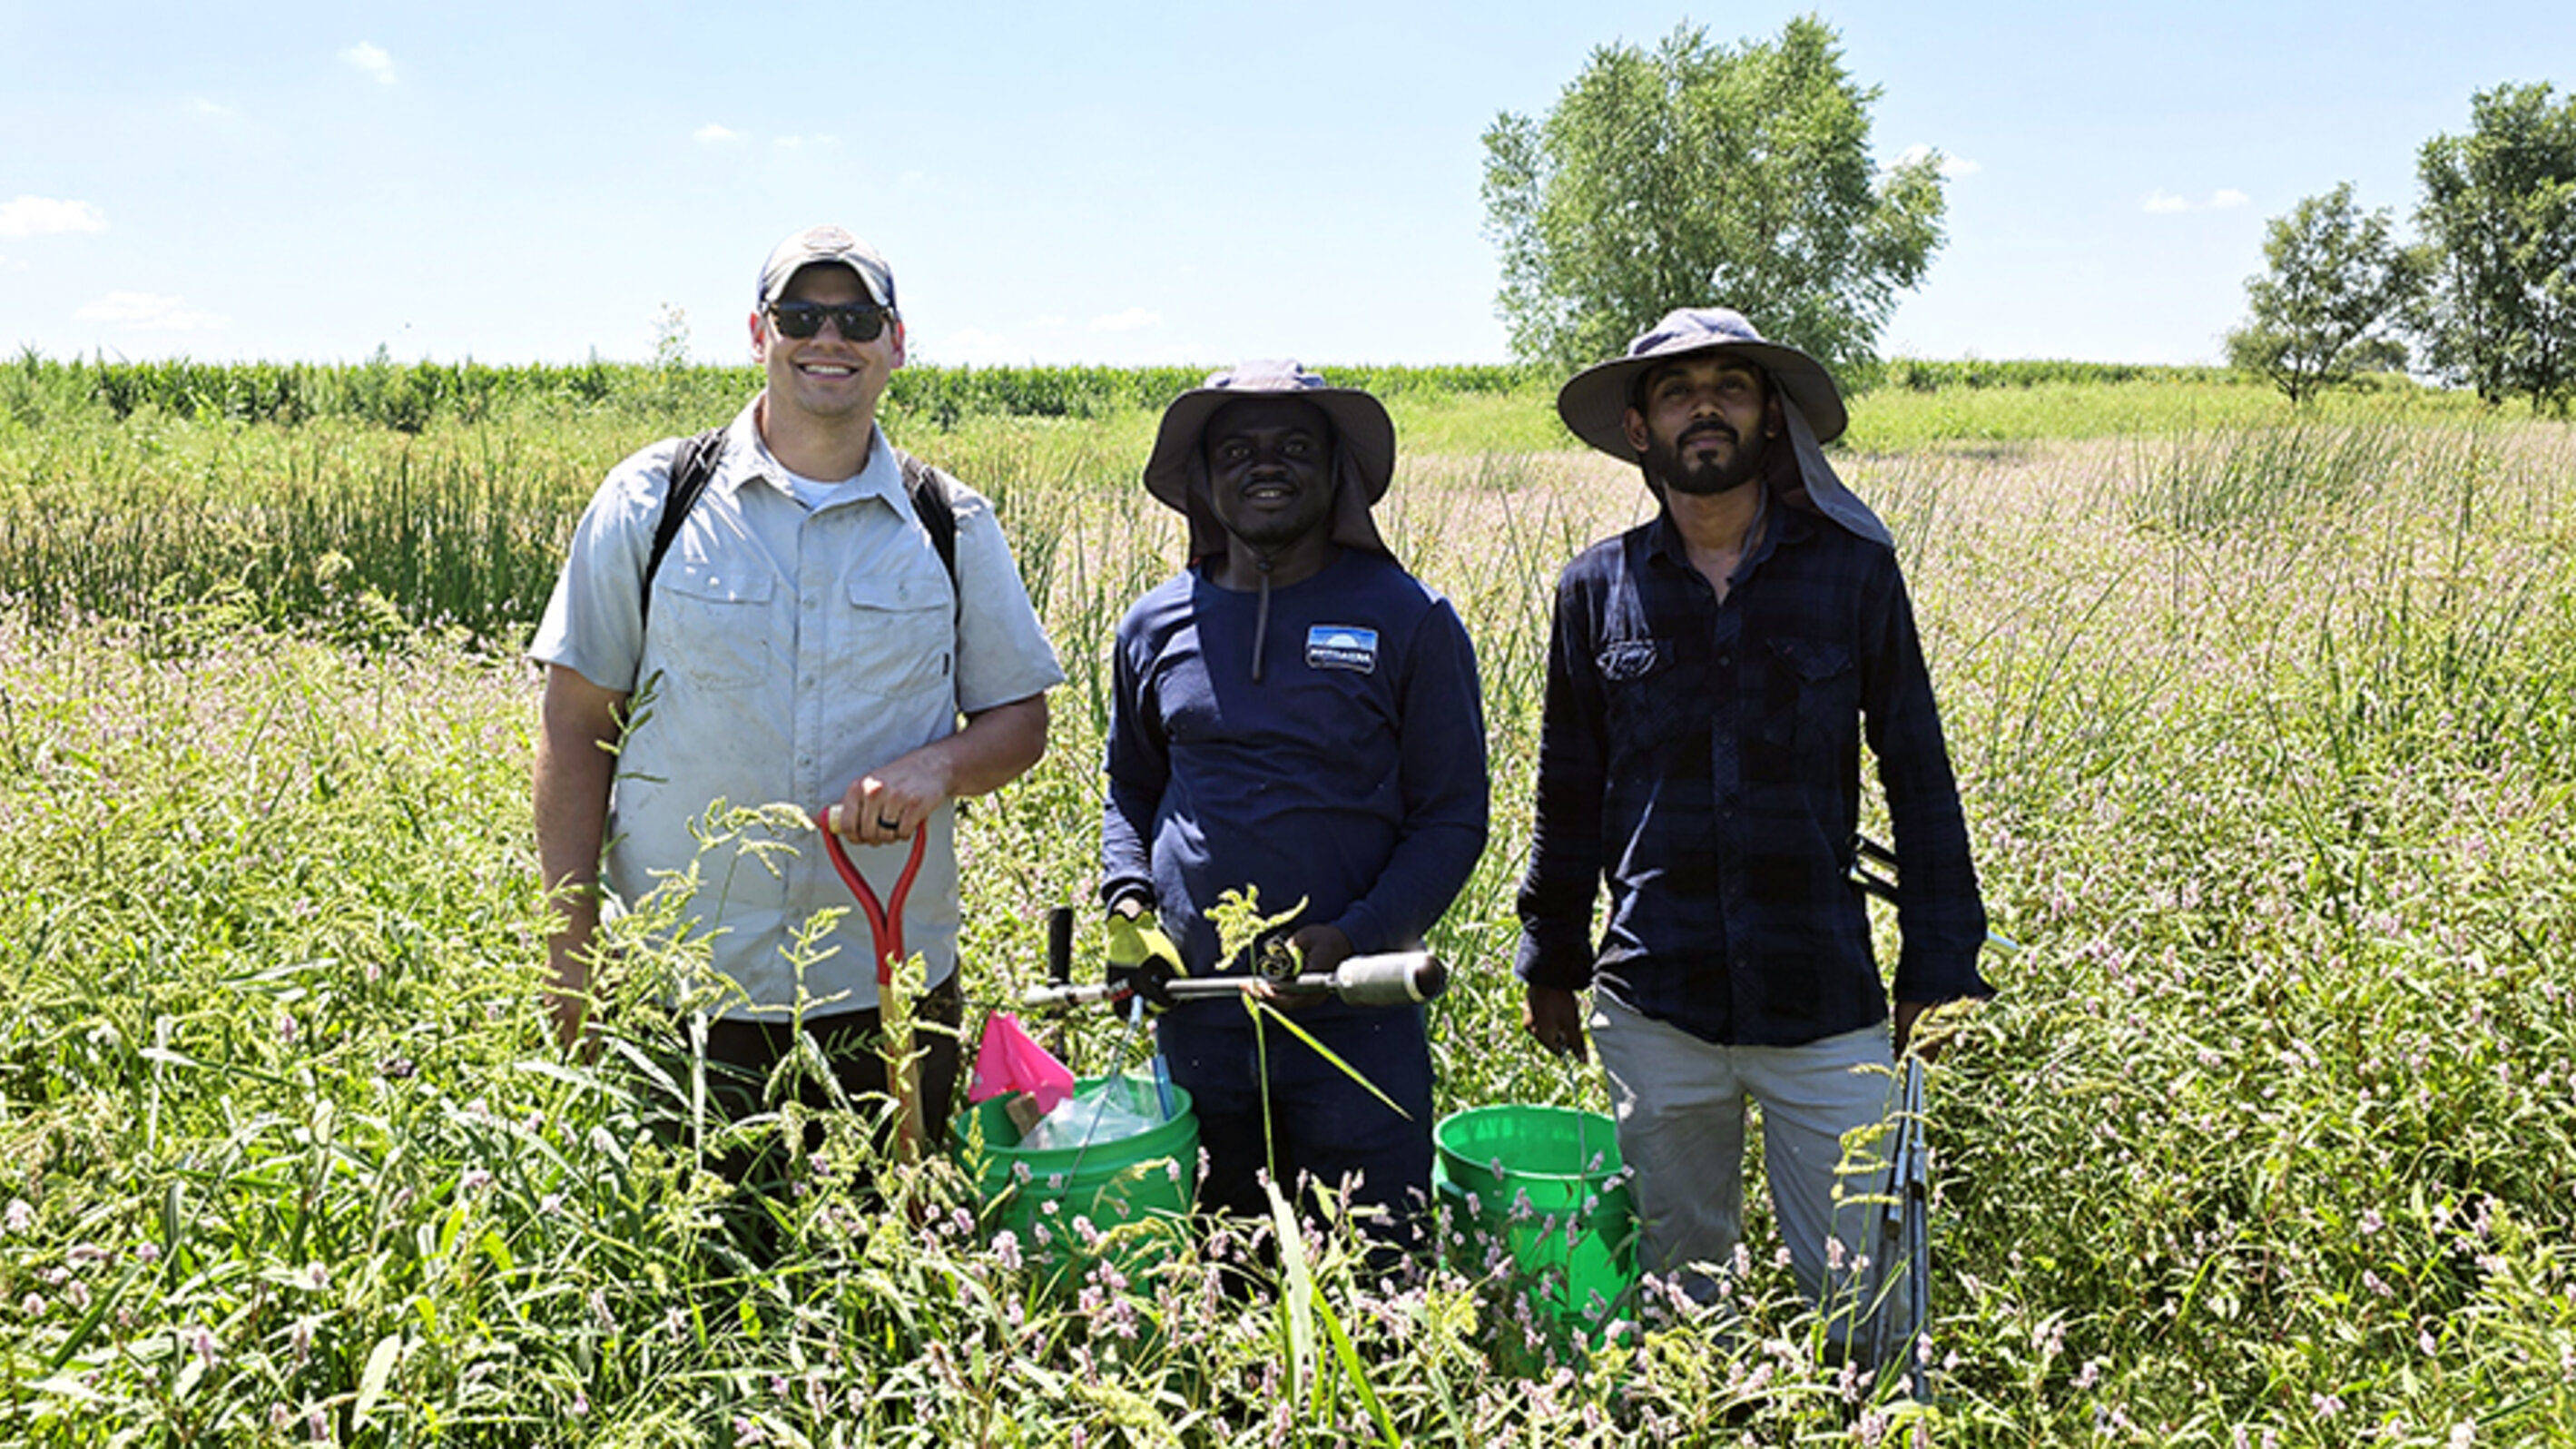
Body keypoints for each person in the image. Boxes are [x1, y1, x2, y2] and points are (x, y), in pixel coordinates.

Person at [531, 225, 1062, 1161]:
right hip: (685, 991)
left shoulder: (951, 523)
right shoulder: (652, 502)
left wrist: (938, 767)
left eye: (857, 318)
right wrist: (568, 955)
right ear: (757, 331)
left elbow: (1021, 722)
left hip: (888, 992)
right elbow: (575, 733)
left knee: (886, 1275)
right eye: (801, 316)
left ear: (896, 344)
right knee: (691, 1285)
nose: (829, 339)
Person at [1514, 307, 1991, 1349]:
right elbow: (1570, 789)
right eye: (1679, 393)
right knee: (1681, 1300)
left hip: (1824, 1002)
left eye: (1731, 387)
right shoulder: (1596, 589)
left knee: (1867, 1294)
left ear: (1769, 417)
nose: (1706, 410)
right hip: (1657, 1004)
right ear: (1640, 429)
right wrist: (1552, 953)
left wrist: (1941, 961)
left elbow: (1918, 769)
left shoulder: (1852, 571)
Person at [1101, 361, 1488, 1252]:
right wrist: (1130, 907)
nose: (1264, 466)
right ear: (1201, 481)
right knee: (1215, 1269)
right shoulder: (1154, 627)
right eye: (1235, 450)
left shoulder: (1410, 619)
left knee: (1376, 1278)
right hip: (1196, 1018)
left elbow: (1454, 815)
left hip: (1356, 1019)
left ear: (1336, 474)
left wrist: (1358, 935)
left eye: (1293, 448)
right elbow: (1131, 784)